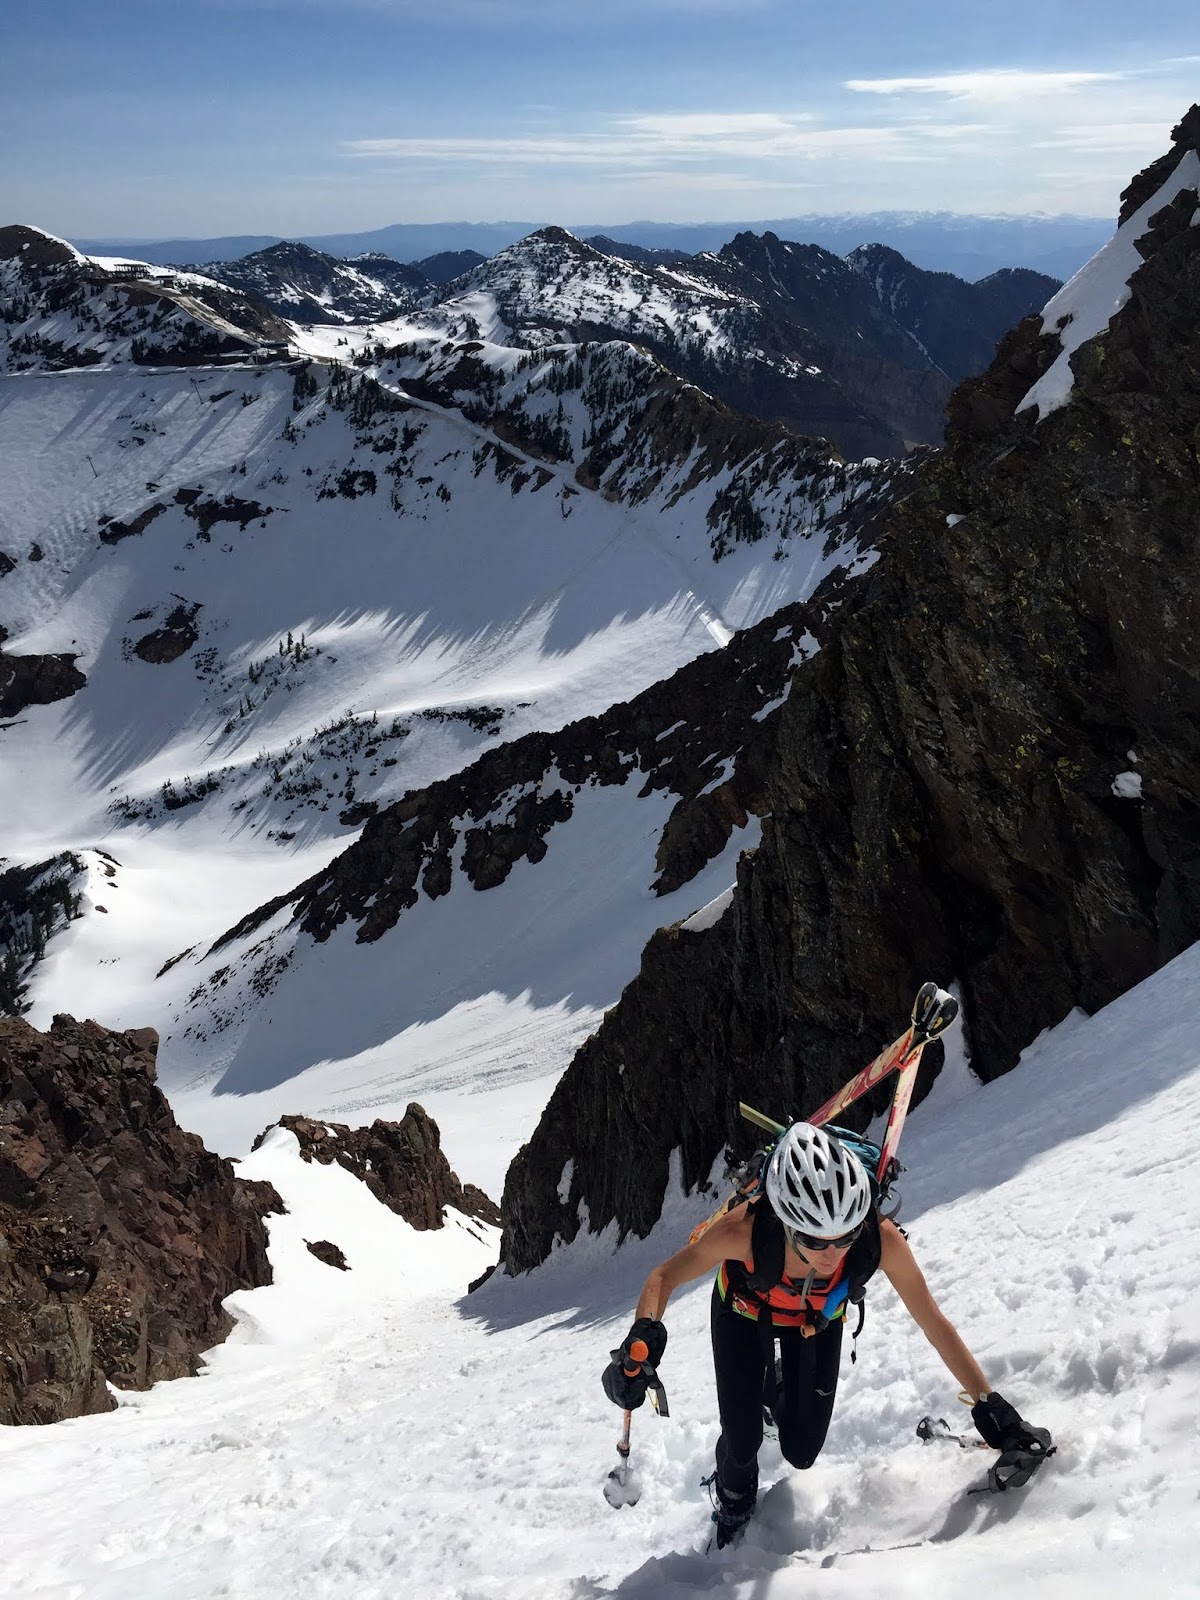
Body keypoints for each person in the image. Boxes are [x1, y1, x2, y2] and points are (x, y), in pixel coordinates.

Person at [602, 1122, 1050, 1548]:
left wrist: (998, 1413)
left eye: (846, 1236)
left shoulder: (880, 1242)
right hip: (742, 1316)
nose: (832, 1254)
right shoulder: (744, 1232)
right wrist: (642, 1337)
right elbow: (664, 1276)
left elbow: (934, 1324)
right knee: (741, 1447)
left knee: (801, 1452)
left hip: (813, 1322)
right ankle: (733, 1503)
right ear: (786, 1222)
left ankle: (772, 1390)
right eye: (815, 1241)